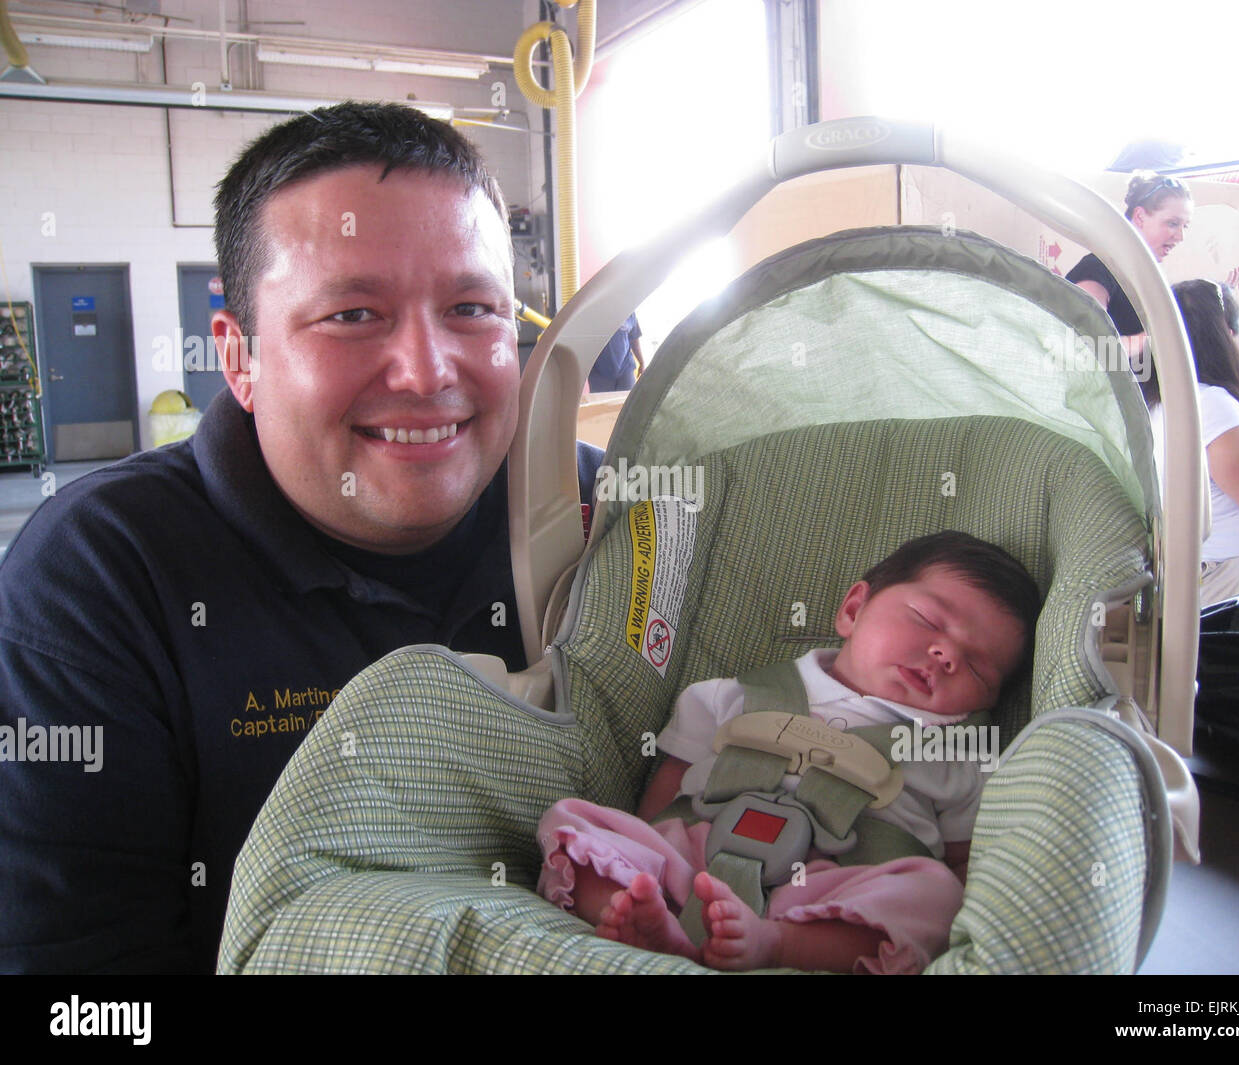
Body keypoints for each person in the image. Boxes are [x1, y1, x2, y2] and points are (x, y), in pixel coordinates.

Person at [0, 103, 601, 973]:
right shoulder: (98, 581)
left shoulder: (602, 511)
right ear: (238, 359)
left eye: (472, 307)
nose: (428, 372)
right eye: (354, 315)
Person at [536, 531, 1040, 974]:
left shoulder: (959, 759)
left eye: (976, 667)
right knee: (573, 820)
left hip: (834, 888)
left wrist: (933, 894)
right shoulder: (726, 695)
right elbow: (669, 785)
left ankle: (775, 945)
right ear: (853, 609)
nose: (946, 655)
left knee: (937, 897)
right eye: (928, 620)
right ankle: (642, 911)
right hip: (695, 859)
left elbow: (962, 865)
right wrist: (651, 850)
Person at [1146, 280, 1239, 605]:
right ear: (1229, 336)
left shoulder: (1159, 405)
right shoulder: (1213, 406)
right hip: (1235, 579)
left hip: (1209, 575)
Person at [1066, 172, 1193, 351]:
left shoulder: (1145, 278)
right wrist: (1158, 337)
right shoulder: (1098, 269)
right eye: (1172, 223)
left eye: (1185, 226)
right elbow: (1087, 346)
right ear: (1140, 216)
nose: (1180, 236)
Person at [587, 312, 643, 392]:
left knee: (627, 401)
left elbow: (634, 338)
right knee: (604, 403)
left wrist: (641, 362)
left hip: (625, 368)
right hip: (598, 371)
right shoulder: (593, 310)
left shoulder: (629, 311)